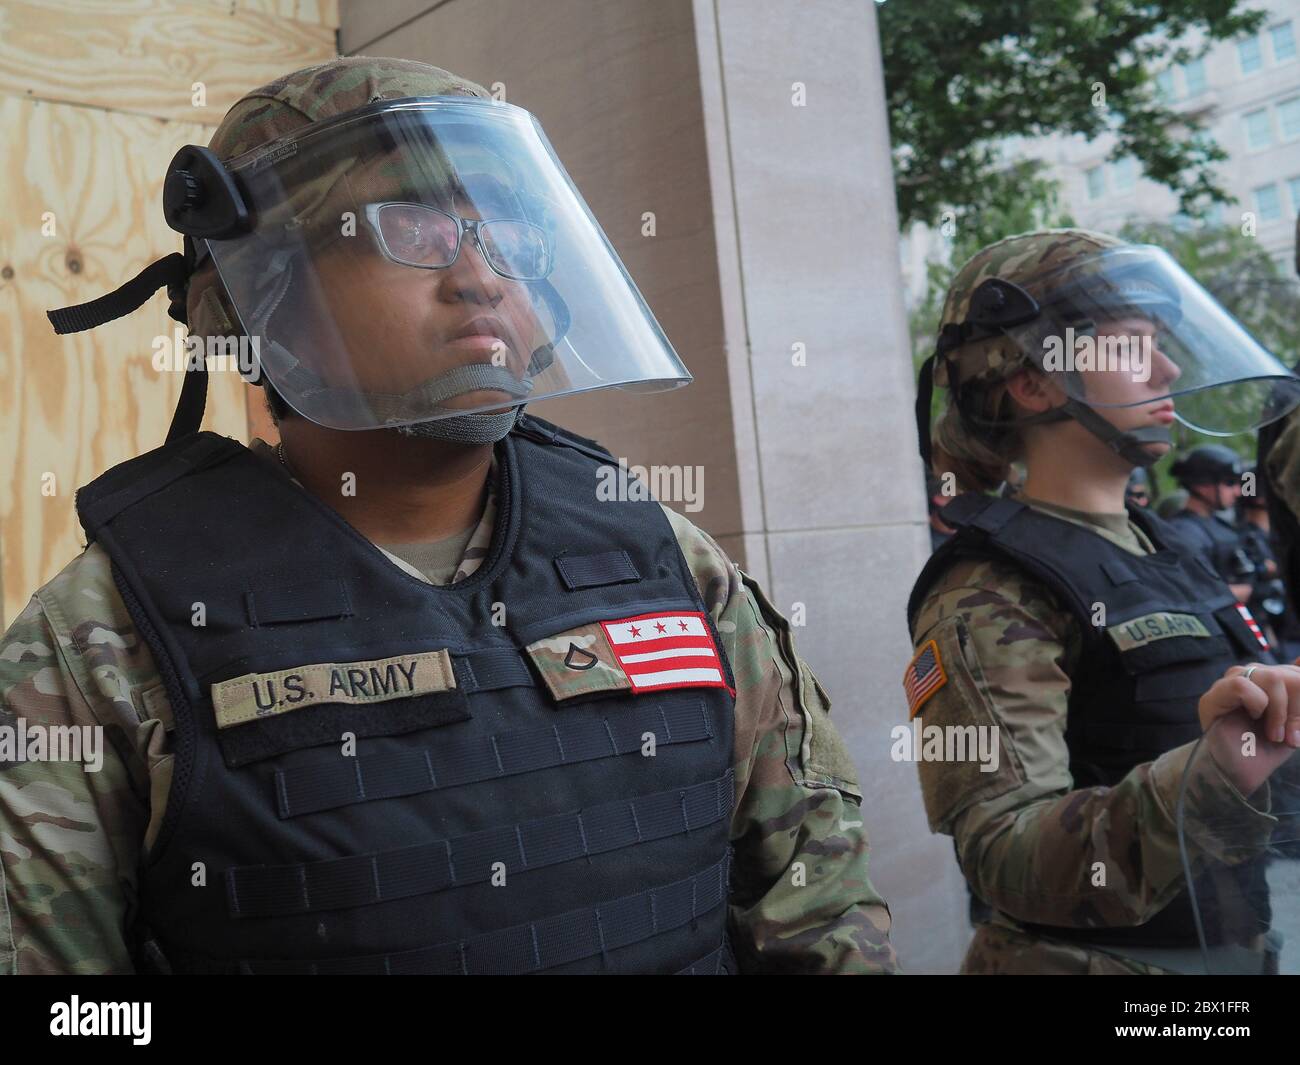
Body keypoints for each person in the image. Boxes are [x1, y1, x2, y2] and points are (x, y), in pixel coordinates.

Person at [0, 57, 896, 975]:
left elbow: (820, 922)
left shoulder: (663, 554)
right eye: (410, 225)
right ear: (252, 294)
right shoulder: (106, 638)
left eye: (511, 230)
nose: (482, 276)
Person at [906, 227, 1300, 974]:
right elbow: (1003, 854)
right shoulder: (989, 585)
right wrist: (1221, 765)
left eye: (1161, 342)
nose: (1167, 367)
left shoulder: (1169, 549)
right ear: (1035, 380)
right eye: (1129, 345)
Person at [1167, 445, 1256, 604]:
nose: (1238, 491)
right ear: (1202, 484)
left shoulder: (1219, 525)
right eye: (1229, 483)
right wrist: (1241, 592)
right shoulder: (1184, 532)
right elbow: (1189, 593)